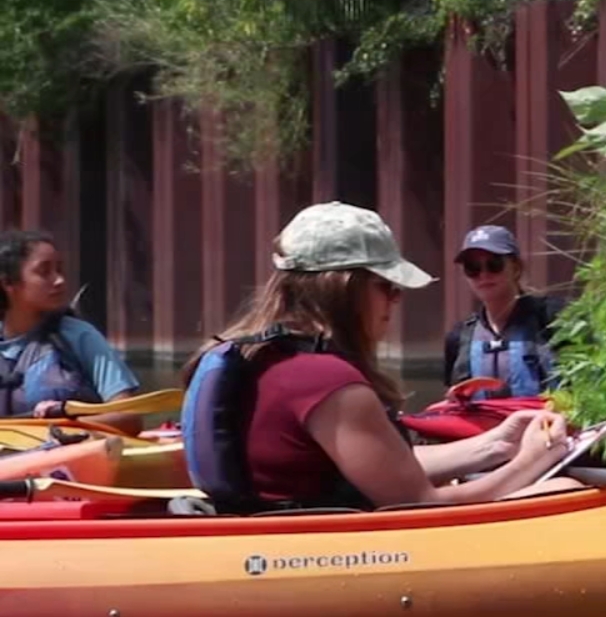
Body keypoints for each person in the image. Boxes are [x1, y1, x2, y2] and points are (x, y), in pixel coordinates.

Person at [179, 201, 584, 514]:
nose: (395, 301)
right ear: (345, 287)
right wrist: (534, 460)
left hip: (274, 532)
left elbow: (389, 465)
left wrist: (496, 444)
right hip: (325, 554)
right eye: (386, 286)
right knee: (565, 493)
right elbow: (419, 505)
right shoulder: (324, 380)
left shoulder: (267, 356)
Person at [0, 229, 143, 435]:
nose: (59, 280)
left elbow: (130, 418)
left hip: (68, 455)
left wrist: (66, 428)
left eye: (59, 270)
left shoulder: (79, 336)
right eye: (44, 272)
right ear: (8, 284)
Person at [443, 225, 568, 401]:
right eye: (473, 268)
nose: (483, 275)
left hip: (544, 426)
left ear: (516, 268)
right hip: (486, 429)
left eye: (494, 265)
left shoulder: (554, 318)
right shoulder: (459, 336)